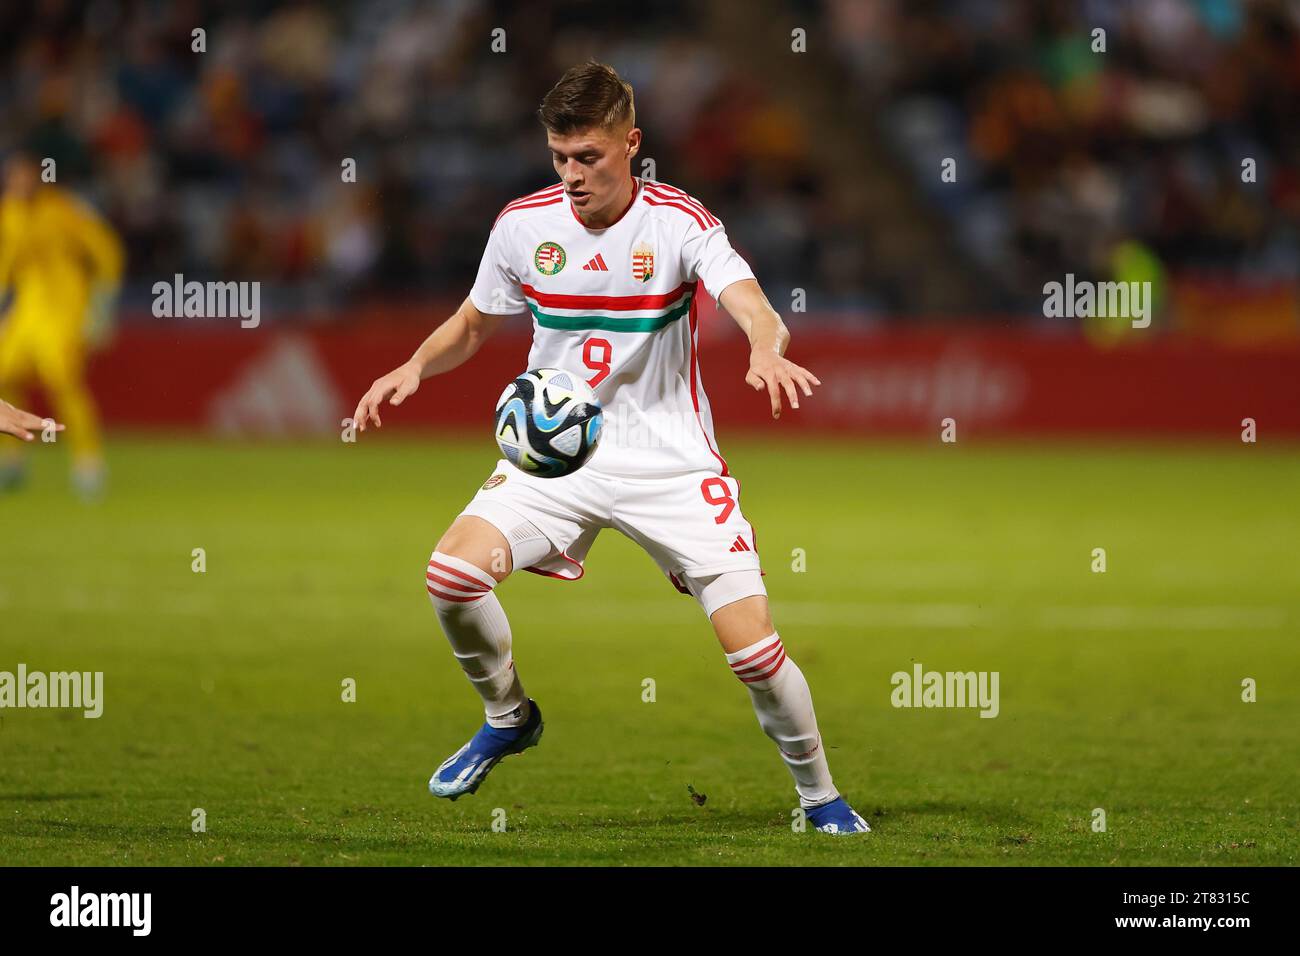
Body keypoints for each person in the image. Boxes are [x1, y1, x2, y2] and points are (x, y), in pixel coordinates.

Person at [353, 62, 868, 835]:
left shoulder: (679, 222)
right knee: (451, 577)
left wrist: (764, 346)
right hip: (556, 458)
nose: (572, 175)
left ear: (631, 145)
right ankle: (508, 714)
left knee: (754, 654)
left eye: (588, 157)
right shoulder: (524, 225)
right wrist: (413, 367)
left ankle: (820, 798)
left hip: (671, 464)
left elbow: (752, 303)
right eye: (559, 157)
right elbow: (472, 323)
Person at [0, 151, 123, 495]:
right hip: (26, 314)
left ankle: (89, 463)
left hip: (65, 313)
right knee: (3, 377)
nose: (16, 184)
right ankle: (12, 461)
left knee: (64, 383)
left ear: (39, 177)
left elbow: (107, 252)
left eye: (23, 176)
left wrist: (102, 307)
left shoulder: (66, 209)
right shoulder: (9, 213)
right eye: (12, 177)